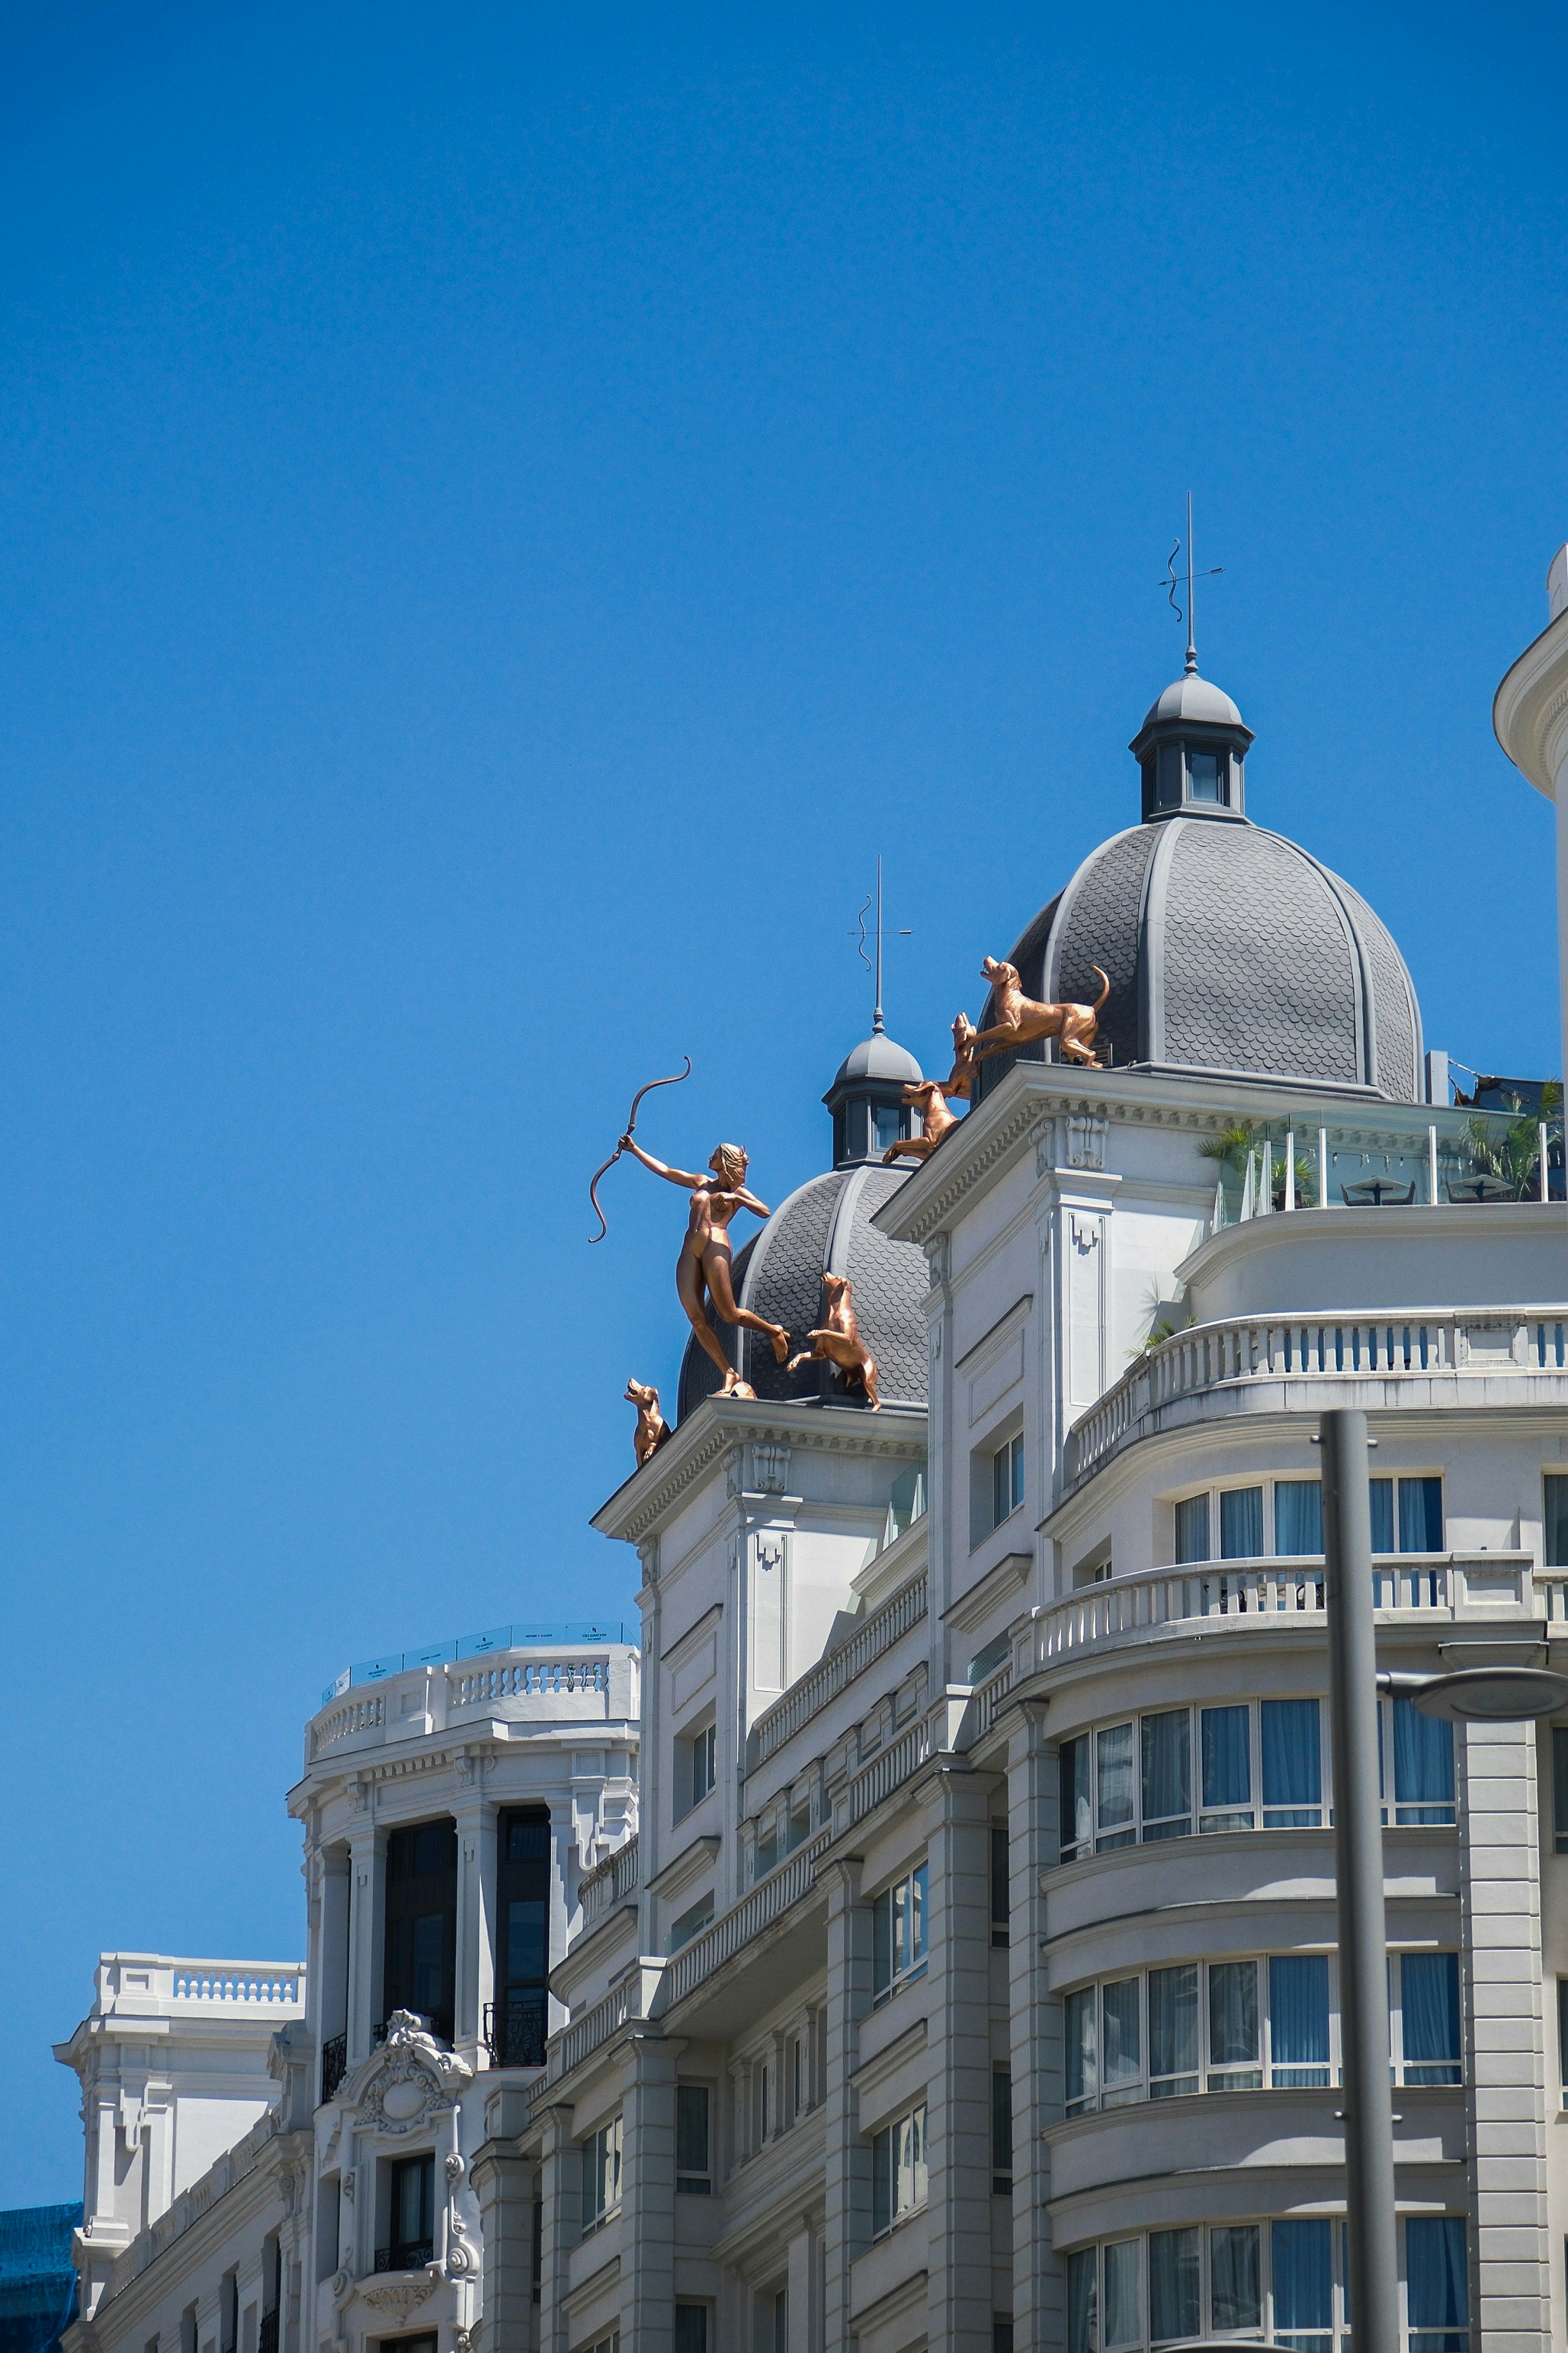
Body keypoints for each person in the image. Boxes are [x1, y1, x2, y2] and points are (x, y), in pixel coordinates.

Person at [618, 1135, 789, 1392]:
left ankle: (773, 1331)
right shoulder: (701, 1182)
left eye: (716, 1155)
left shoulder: (736, 1192)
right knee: (697, 1318)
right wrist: (634, 1150)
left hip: (715, 1246)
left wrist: (737, 1200)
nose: (710, 1157)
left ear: (726, 1161)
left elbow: (764, 1211)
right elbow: (666, 1171)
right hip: (690, 1250)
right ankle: (728, 1371)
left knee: (729, 1313)